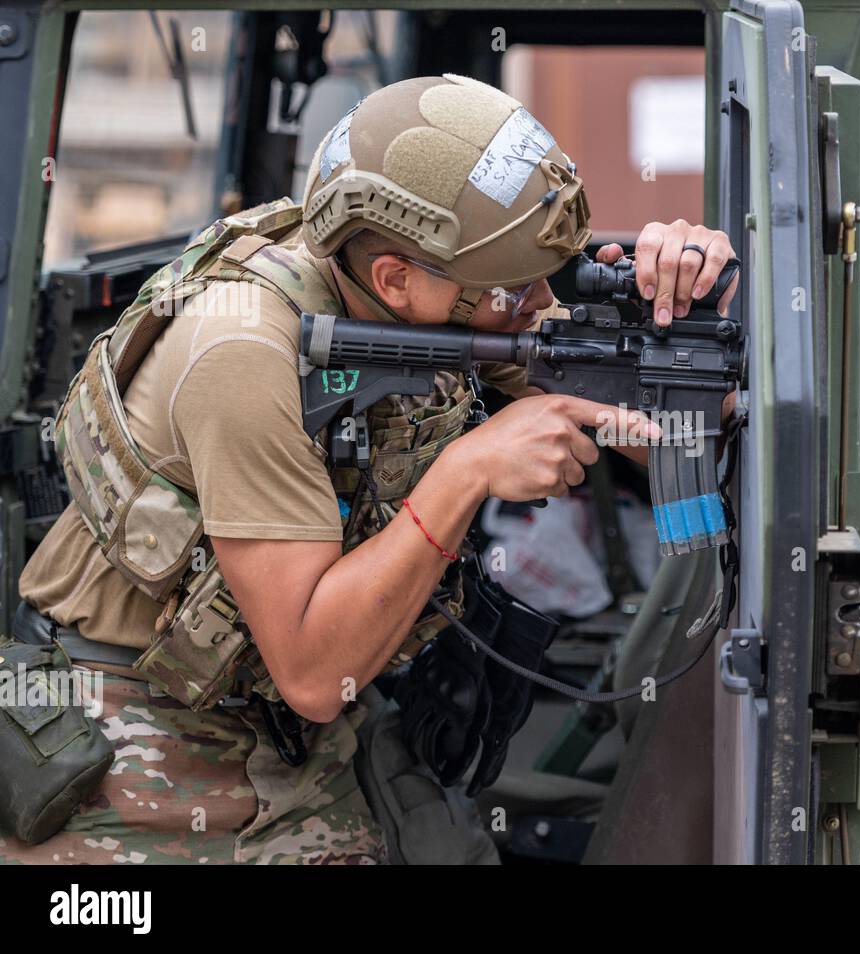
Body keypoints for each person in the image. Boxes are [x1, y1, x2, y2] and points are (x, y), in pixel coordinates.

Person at [2, 74, 737, 864]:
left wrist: (695, 327)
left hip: (288, 707)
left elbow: (654, 426)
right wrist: (465, 471)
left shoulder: (439, 296)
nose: (541, 302)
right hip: (137, 724)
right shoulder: (244, 354)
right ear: (396, 279)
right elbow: (316, 672)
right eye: (518, 287)